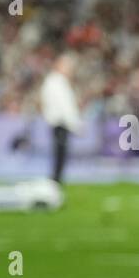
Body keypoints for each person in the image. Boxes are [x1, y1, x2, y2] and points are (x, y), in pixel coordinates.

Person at [40, 53, 81, 184]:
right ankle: (56, 181)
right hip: (60, 123)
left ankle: (56, 180)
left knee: (60, 154)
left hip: (60, 122)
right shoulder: (56, 82)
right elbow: (64, 106)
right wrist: (74, 124)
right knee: (60, 154)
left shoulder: (55, 81)